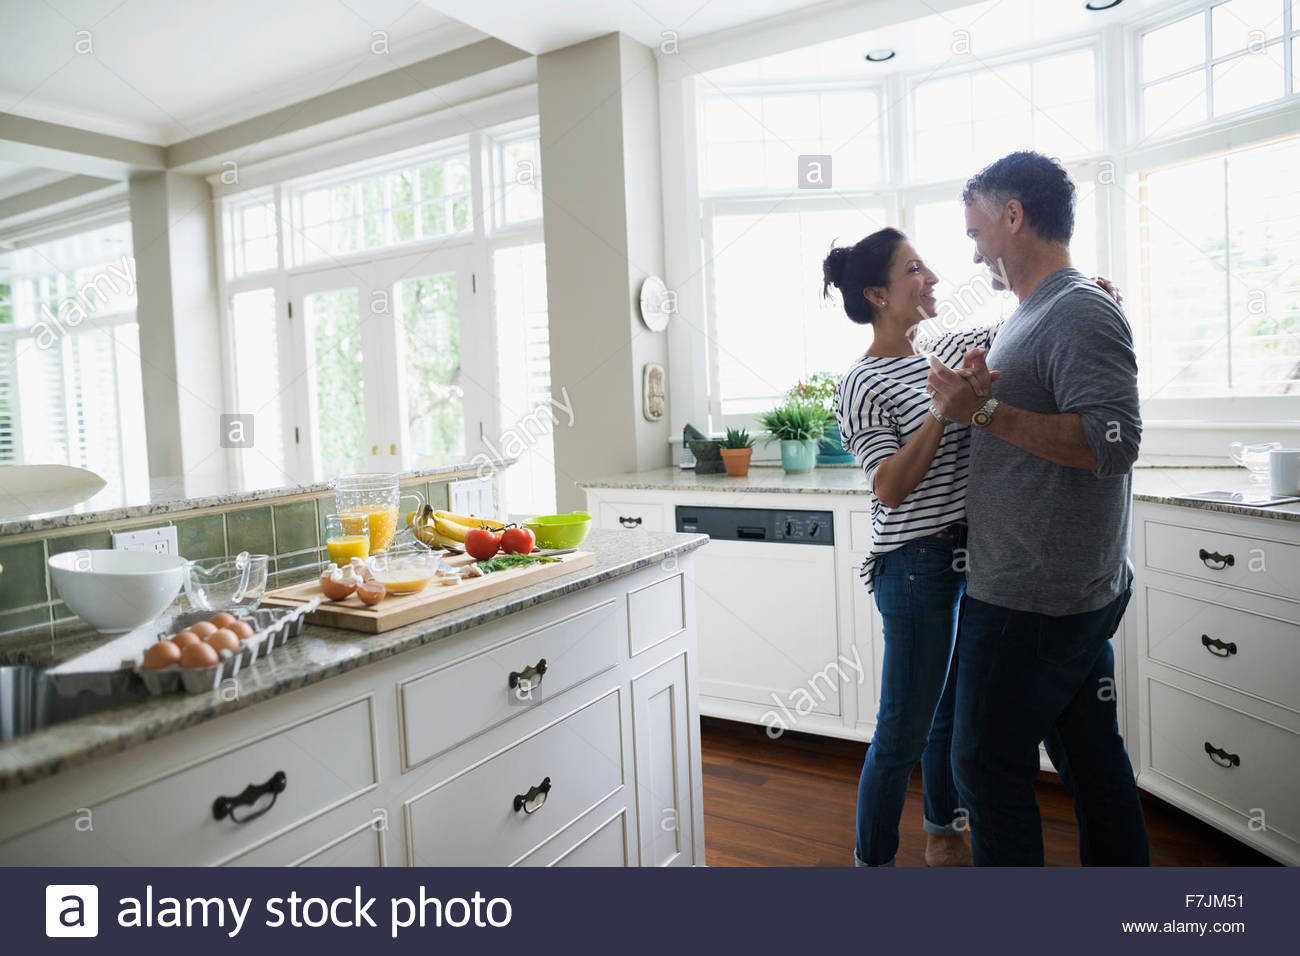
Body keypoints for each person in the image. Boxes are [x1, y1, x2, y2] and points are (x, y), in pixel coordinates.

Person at [926, 150, 1149, 866]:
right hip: (1053, 591)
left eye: (976, 233)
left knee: (985, 770)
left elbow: (1114, 441)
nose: (974, 252)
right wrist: (978, 397)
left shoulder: (1078, 309)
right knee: (1091, 759)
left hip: (1033, 599)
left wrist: (984, 412)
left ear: (1014, 216)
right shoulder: (1035, 313)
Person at [826, 228, 995, 867]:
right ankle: (872, 863)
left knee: (947, 714)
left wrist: (1086, 288)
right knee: (901, 732)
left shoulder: (943, 350)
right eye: (914, 269)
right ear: (877, 294)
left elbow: (1021, 326)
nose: (933, 278)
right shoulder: (861, 382)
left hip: (969, 560)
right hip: (915, 564)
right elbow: (891, 488)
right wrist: (941, 411)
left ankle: (943, 831)